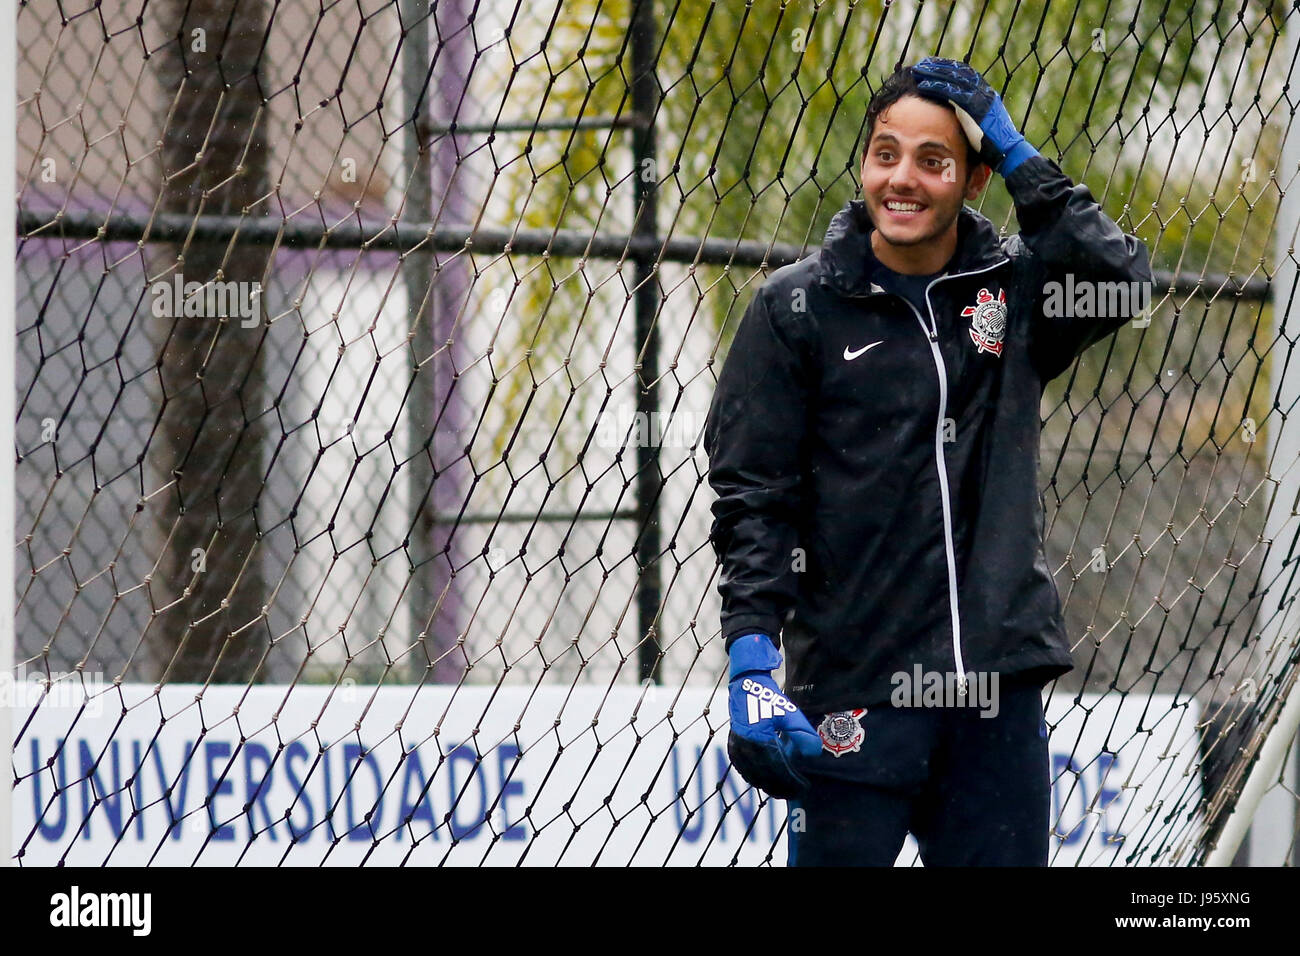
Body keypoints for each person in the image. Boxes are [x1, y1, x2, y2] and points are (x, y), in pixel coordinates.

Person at [702, 58, 1153, 866]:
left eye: (932, 160)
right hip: (848, 700)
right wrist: (750, 658)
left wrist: (1021, 156)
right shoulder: (794, 309)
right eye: (885, 153)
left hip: (993, 701)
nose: (901, 179)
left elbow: (1120, 281)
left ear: (974, 180)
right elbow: (752, 501)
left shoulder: (1014, 294)